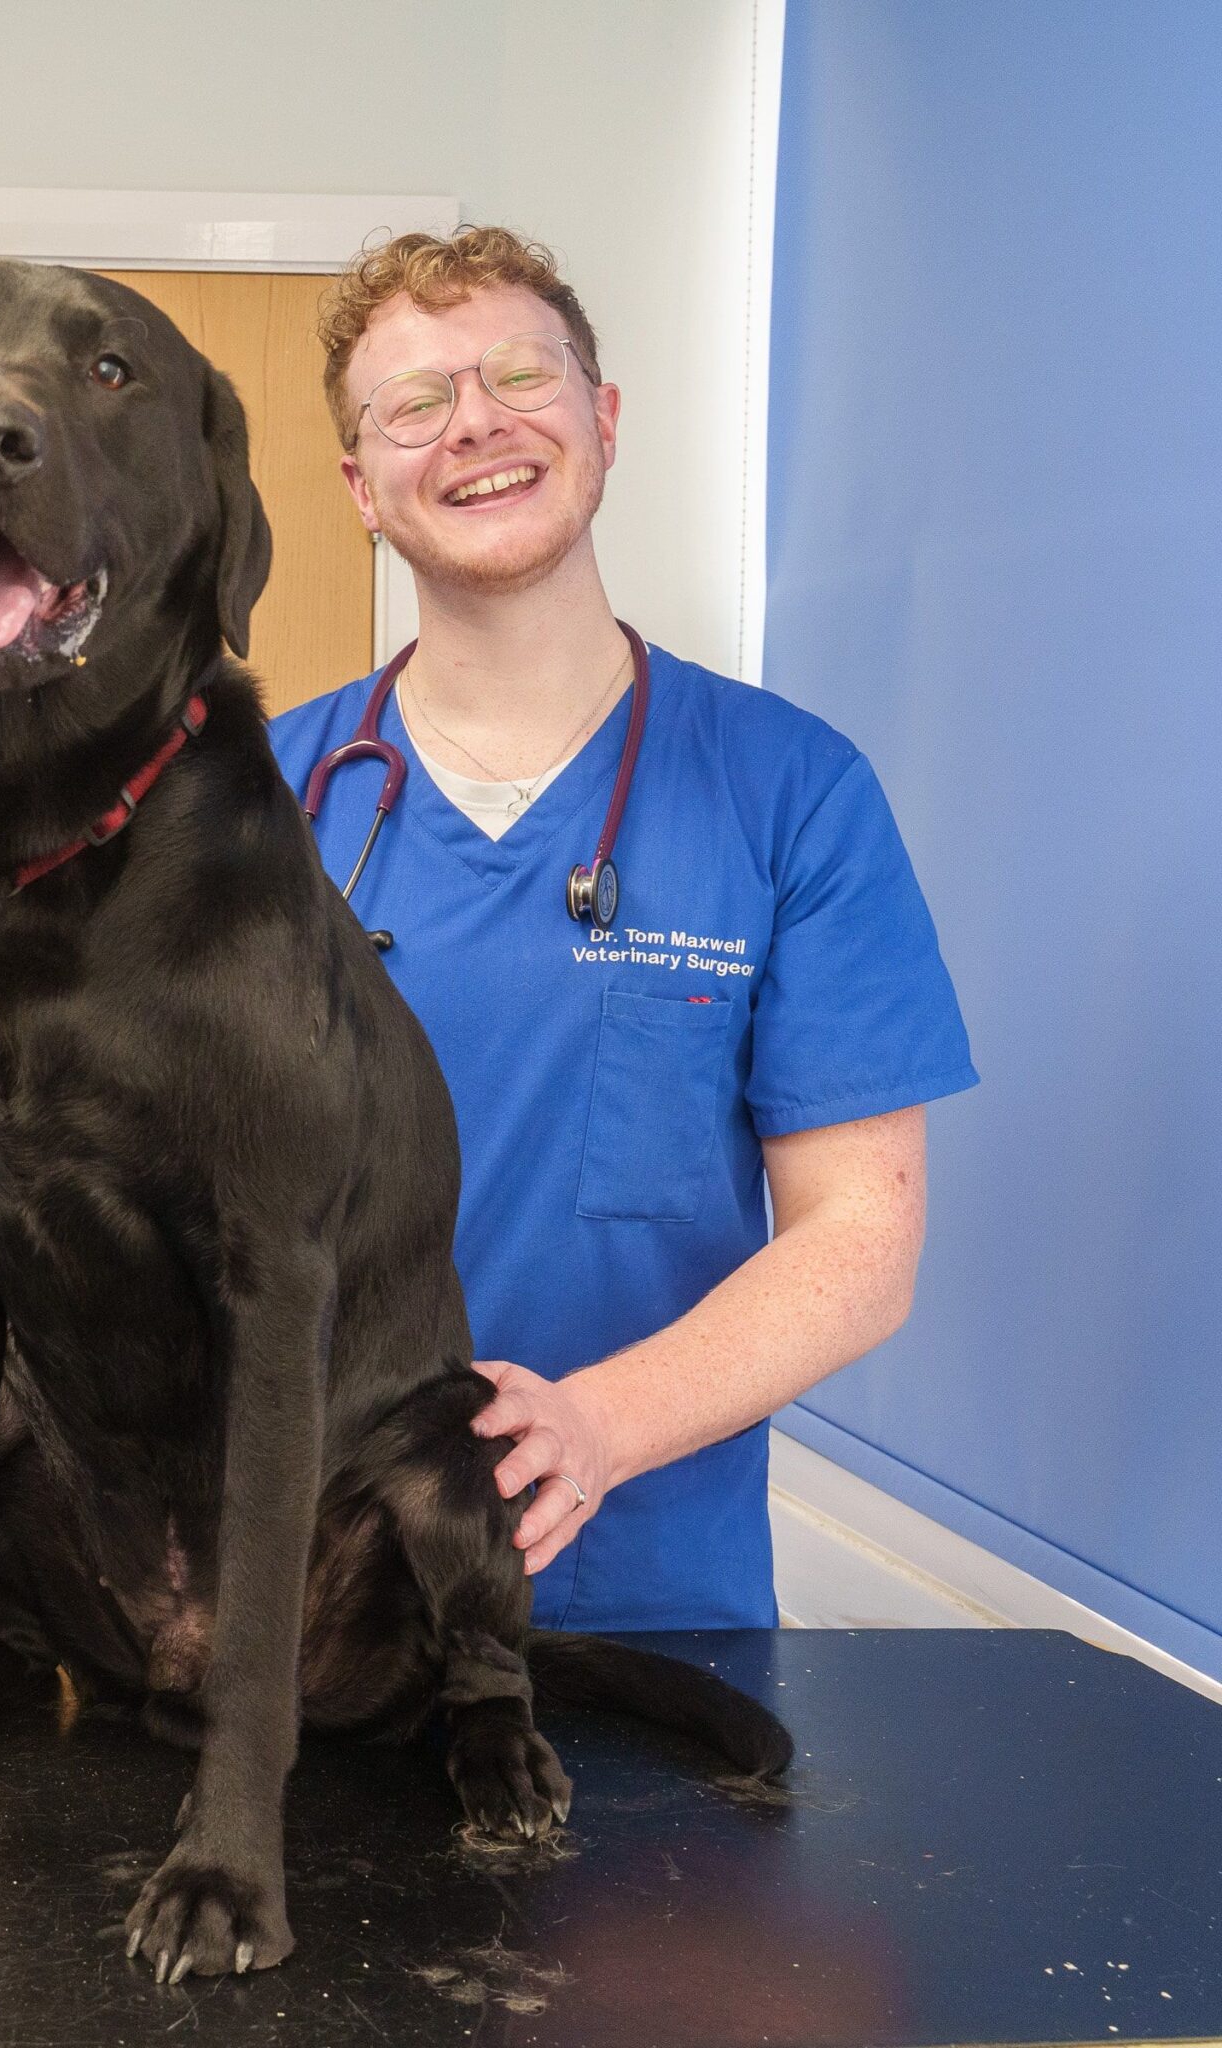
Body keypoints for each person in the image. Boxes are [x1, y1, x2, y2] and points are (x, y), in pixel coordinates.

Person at [269, 228, 976, 1632]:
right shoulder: (259, 808)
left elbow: (860, 1240)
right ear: (361, 486)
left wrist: (592, 1429)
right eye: (414, 404)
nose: (474, 422)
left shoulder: (789, 793)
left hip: (648, 1608)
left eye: (521, 376)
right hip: (303, 1621)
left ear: (602, 420)